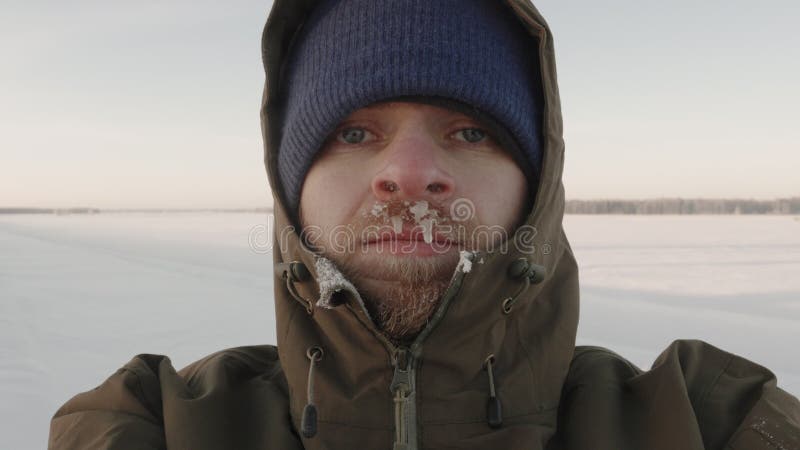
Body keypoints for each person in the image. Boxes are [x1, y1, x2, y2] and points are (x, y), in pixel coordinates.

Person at [49, 0, 800, 449]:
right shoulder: (153, 425)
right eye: (352, 134)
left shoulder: (708, 419)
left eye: (471, 132)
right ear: (290, 189)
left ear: (537, 187)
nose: (409, 173)